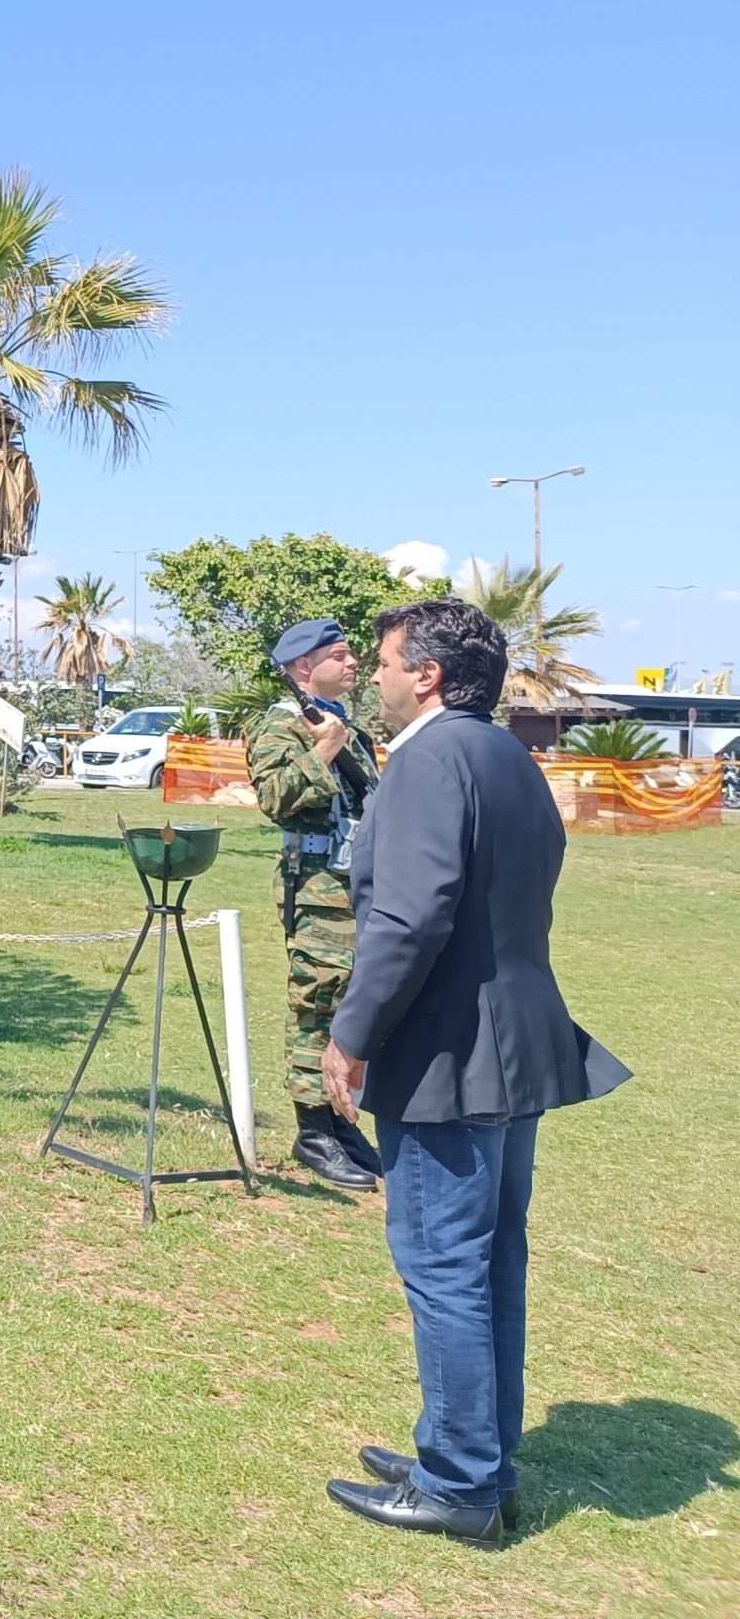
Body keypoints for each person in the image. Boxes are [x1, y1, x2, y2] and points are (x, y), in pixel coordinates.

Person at [321, 598, 629, 1545]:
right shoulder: (509, 758)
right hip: (515, 1044)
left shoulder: (426, 757)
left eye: (383, 662)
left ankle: (458, 1481)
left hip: (449, 1053)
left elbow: (410, 919)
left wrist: (352, 1034)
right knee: (491, 1258)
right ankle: (473, 1452)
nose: (372, 676)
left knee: (444, 1263)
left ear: (428, 676)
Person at [244, 617, 386, 1191]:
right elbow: (275, 799)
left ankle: (341, 1118)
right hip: (319, 892)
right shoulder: (283, 724)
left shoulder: (349, 724)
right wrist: (323, 751)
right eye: (341, 654)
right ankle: (312, 1129)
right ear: (305, 666)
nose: (354, 664)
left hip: (361, 887)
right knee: (319, 1001)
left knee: (356, 1003)